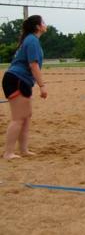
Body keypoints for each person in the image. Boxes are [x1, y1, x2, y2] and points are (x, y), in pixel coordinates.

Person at [3, 15, 48, 160]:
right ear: (38, 26)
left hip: (21, 80)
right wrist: (42, 86)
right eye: (43, 22)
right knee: (18, 118)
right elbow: (33, 65)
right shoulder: (32, 40)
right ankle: (8, 152)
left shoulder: (31, 40)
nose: (45, 24)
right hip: (16, 80)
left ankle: (23, 150)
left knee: (26, 116)